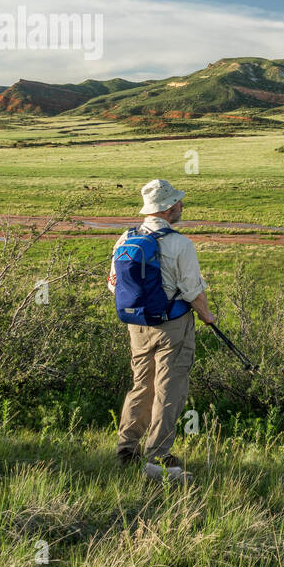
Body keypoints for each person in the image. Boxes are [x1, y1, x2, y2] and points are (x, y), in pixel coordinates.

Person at [106, 179, 215, 469]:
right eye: (178, 202)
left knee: (141, 385)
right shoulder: (180, 243)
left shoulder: (125, 238)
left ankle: (127, 449)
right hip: (173, 325)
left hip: (137, 325)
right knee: (170, 387)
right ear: (166, 208)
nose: (181, 206)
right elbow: (193, 291)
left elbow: (112, 284)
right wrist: (207, 316)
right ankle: (158, 455)